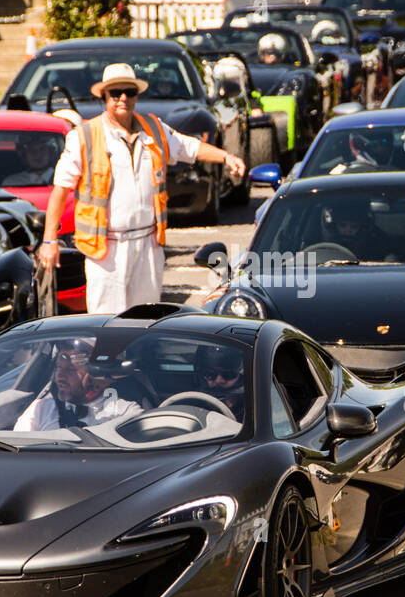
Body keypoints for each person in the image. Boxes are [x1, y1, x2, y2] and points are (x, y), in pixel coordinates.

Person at [38, 63, 246, 315]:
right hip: (105, 250)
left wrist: (226, 157)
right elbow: (60, 190)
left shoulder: (154, 129)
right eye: (115, 93)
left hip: (148, 246)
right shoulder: (84, 136)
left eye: (129, 92)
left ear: (137, 95)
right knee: (107, 323)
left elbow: (188, 148)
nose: (123, 98)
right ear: (104, 97)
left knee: (146, 321)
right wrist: (49, 240)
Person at [13, 337, 141, 432]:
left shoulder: (124, 413)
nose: (60, 376)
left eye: (71, 370)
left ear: (100, 376)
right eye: (58, 367)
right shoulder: (41, 409)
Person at [194, 345, 245, 422]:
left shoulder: (256, 407)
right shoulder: (192, 403)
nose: (219, 380)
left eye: (228, 375)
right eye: (210, 374)